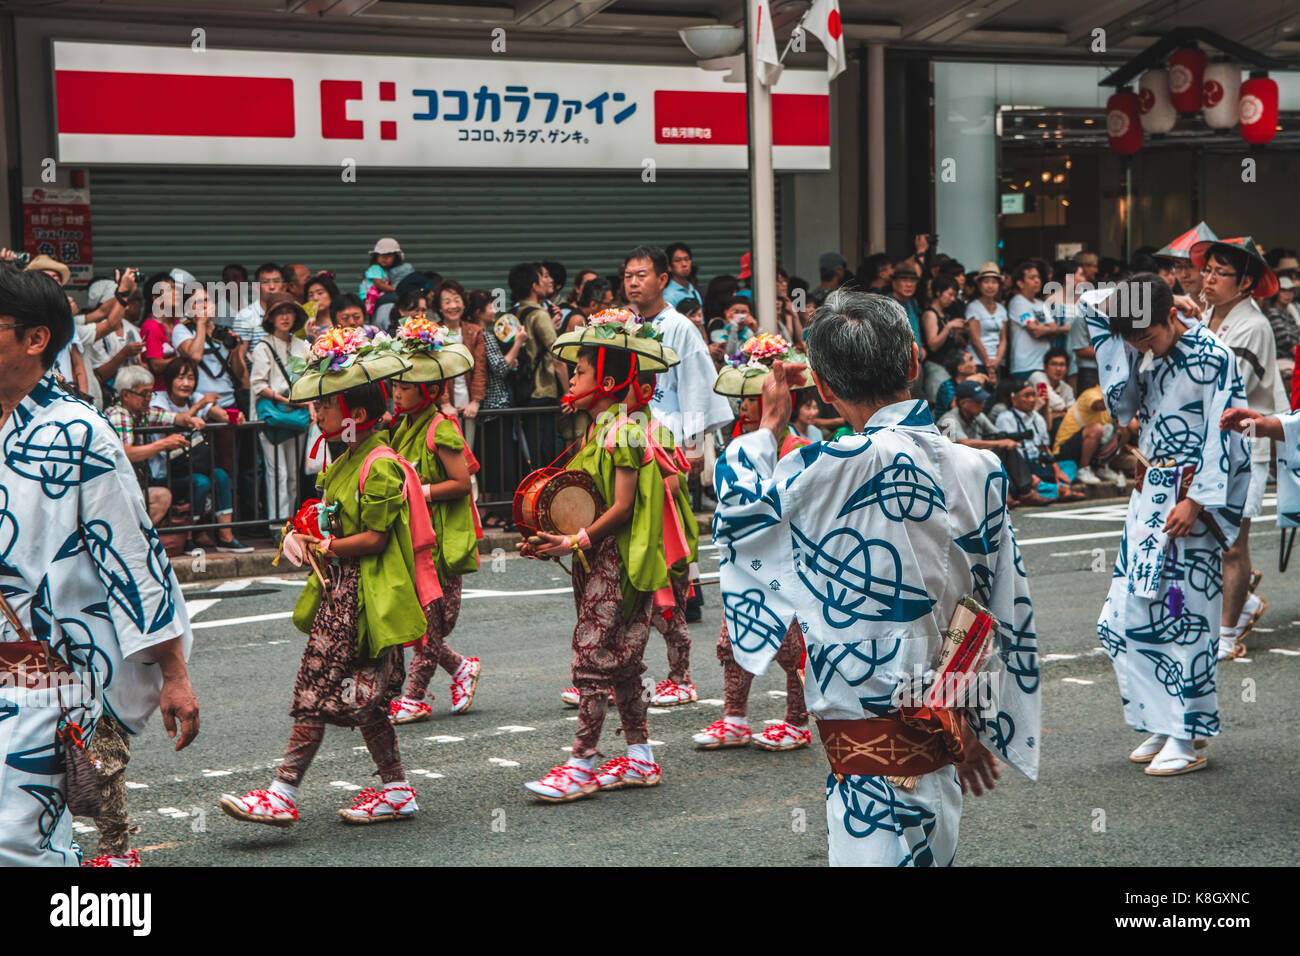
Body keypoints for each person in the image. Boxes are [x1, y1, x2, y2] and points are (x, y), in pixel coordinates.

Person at [711, 289, 1039, 866]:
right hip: (937, 725)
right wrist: (962, 717)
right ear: (915, 361)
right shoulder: (979, 469)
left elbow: (739, 517)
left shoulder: (822, 469)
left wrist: (767, 426)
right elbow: (992, 607)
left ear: (827, 390)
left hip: (867, 746)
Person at [0, 267, 199, 866]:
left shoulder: (79, 432)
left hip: (41, 660)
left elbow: (131, 553)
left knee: (17, 826)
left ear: (36, 340)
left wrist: (173, 671)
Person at [220, 333, 428, 826]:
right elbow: (326, 517)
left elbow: (374, 538)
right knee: (364, 702)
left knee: (317, 688)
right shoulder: (344, 459)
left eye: (325, 405)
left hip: (362, 598)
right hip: (343, 594)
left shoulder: (378, 465)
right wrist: (300, 533)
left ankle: (282, 793)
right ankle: (397, 789)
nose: (316, 413)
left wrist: (325, 546)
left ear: (354, 414)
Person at [1087, 275, 1249, 776]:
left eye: (1147, 337)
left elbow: (1231, 432)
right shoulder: (1145, 341)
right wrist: (1159, 300)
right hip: (1150, 497)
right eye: (1131, 340)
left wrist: (1198, 501)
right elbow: (1091, 304)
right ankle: (1163, 717)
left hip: (1189, 503)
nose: (1138, 349)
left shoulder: (1214, 355)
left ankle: (1190, 733)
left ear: (1168, 321)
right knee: (1126, 615)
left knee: (1185, 617)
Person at [519, 311, 682, 800]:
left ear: (609, 381)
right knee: (623, 663)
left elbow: (623, 508)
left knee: (592, 658)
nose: (572, 378)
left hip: (618, 564)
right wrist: (554, 538)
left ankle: (582, 762)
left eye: (582, 372)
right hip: (601, 558)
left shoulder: (625, 429)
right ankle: (639, 757)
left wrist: (574, 541)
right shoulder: (601, 428)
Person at [692, 336, 813, 753]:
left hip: (785, 565)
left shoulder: (798, 446)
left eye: (753, 397)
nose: (743, 406)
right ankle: (734, 717)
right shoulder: (742, 445)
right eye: (741, 398)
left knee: (790, 644)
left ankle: (797, 720)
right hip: (745, 563)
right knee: (733, 640)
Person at [626, 244, 734, 702]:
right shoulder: (626, 326)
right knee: (626, 559)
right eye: (628, 275)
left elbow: (694, 389)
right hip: (629, 444)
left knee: (666, 553)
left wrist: (690, 449)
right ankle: (625, 669)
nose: (633, 282)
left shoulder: (681, 328)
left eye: (642, 274)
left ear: (663, 278)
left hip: (666, 448)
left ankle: (680, 673)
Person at [386, 317, 483, 723]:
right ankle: (461, 667)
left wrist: (420, 491)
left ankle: (415, 694)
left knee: (429, 618)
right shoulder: (401, 426)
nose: (396, 393)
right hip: (413, 536)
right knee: (418, 619)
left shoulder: (441, 428)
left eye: (404, 386)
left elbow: (462, 483)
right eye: (395, 385)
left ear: (426, 389)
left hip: (441, 537)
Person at [1195, 239, 1289, 661]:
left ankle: (1228, 634)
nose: (1208, 278)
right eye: (1207, 269)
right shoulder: (1205, 314)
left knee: (1232, 541)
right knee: (1209, 539)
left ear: (1245, 282)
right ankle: (1242, 604)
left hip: (1245, 444)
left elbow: (1226, 387)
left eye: (1219, 272)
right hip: (1209, 443)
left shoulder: (1254, 324)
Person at [147, 359, 251, 552]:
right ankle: (188, 537)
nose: (186, 383)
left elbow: (219, 413)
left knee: (220, 475)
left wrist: (233, 417)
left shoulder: (195, 397)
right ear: (170, 380)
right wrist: (199, 406)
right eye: (180, 378)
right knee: (201, 482)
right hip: (164, 472)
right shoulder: (158, 400)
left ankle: (225, 537)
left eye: (191, 378)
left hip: (192, 465)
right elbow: (177, 424)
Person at [250, 292, 312, 527]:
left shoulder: (301, 345)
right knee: (278, 473)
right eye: (280, 313)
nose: (285, 317)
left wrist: (305, 404)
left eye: (290, 312)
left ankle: (291, 522)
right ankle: (277, 525)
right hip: (274, 415)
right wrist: (289, 401)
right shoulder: (263, 346)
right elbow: (258, 385)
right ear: (271, 318)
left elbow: (308, 378)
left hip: (297, 414)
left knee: (293, 474)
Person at [468, 288, 527, 529]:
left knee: (492, 460)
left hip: (493, 408)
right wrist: (519, 343)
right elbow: (500, 368)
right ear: (479, 312)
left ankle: (486, 509)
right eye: (491, 307)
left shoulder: (483, 333)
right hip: (495, 406)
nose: (495, 310)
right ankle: (486, 511)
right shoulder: (485, 335)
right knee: (495, 461)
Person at [938, 380, 1049, 507]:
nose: (983, 404)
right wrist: (999, 443)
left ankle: (1024, 492)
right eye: (978, 401)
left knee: (1006, 447)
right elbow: (963, 443)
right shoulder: (948, 420)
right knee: (1001, 446)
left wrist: (1006, 440)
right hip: (955, 466)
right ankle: (1013, 493)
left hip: (973, 459)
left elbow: (997, 434)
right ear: (963, 403)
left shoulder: (977, 416)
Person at [511, 261, 567, 468]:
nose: (549, 280)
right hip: (542, 390)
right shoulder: (539, 314)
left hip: (523, 390)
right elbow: (557, 357)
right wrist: (570, 392)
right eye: (543, 276)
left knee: (531, 450)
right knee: (546, 452)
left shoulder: (515, 313)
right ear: (534, 285)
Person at [995, 378, 1084, 501]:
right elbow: (1008, 453)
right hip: (1022, 467)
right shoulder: (1005, 418)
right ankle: (1058, 490)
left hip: (1039, 463)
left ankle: (1055, 489)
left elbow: (1045, 447)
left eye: (1033, 395)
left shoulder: (1038, 418)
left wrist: (1057, 470)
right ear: (1013, 399)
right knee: (1023, 479)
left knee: (1070, 465)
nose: (1032, 400)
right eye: (1027, 396)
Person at [430, 279, 488, 457]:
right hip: (441, 403)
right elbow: (435, 370)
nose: (453, 306)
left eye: (457, 300)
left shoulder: (474, 331)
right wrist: (444, 402)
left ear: (464, 303)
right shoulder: (432, 332)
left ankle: (468, 483)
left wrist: (476, 401)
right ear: (439, 307)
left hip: (467, 402)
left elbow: (479, 367)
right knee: (445, 451)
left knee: (467, 451)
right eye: (447, 302)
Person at [1052, 385, 1125, 487]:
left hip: (1086, 448)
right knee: (1096, 429)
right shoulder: (1091, 393)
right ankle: (1083, 469)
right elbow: (1097, 405)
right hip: (1064, 449)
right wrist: (1118, 396)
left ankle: (1100, 467)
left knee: (1119, 429)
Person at [1007, 260, 1065, 378]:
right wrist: (1057, 329)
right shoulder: (1017, 302)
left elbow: (1053, 328)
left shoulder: (1040, 304)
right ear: (1020, 283)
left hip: (1044, 365)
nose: (1037, 280)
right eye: (1032, 278)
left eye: (1038, 277)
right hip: (1025, 366)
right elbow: (1035, 330)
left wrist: (1047, 329)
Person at [919, 274, 968, 404]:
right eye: (950, 294)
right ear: (938, 292)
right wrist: (948, 327)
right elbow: (933, 344)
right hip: (935, 366)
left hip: (948, 366)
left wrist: (958, 333)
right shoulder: (930, 314)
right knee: (938, 404)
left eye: (954, 295)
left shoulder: (946, 314)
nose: (952, 299)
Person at [965, 262, 1007, 377]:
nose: (990, 286)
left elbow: (1003, 339)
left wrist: (997, 360)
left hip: (997, 363)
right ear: (979, 285)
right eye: (986, 281)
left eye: (994, 282)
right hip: (977, 362)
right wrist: (988, 364)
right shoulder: (973, 307)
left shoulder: (1002, 309)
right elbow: (975, 339)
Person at [232, 262, 286, 350]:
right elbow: (240, 357)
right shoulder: (245, 316)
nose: (272, 286)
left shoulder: (292, 313)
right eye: (265, 282)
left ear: (284, 287)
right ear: (256, 288)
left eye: (276, 281)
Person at [1028, 347, 1075, 435]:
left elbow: (1073, 413)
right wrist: (1063, 412)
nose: (1058, 369)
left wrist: (1058, 414)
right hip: (1031, 424)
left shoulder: (1067, 388)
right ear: (1044, 367)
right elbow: (1057, 404)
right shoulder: (1037, 377)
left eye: (1062, 365)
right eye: (1054, 364)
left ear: (1067, 369)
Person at [359, 237, 402, 312]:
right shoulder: (375, 268)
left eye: (388, 255)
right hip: (368, 298)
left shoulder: (385, 271)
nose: (384, 258)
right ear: (376, 256)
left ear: (395, 257)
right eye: (381, 255)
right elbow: (379, 284)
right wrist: (396, 289)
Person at [663, 242, 702, 309]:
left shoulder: (694, 291)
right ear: (669, 266)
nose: (684, 264)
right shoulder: (668, 295)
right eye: (678, 260)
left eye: (686, 259)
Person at [303, 272, 340, 341]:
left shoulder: (342, 322)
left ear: (331, 294)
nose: (315, 298)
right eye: (311, 295)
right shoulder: (306, 326)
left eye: (320, 293)